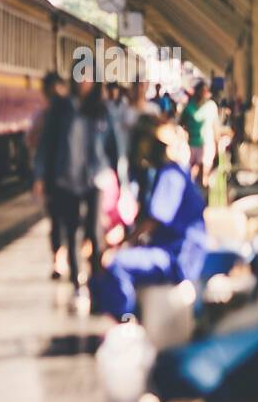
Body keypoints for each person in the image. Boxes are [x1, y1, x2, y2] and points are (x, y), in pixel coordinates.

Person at [93, 122, 207, 320]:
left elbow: (155, 220)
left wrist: (125, 244)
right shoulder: (173, 173)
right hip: (172, 250)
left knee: (116, 263)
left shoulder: (170, 175)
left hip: (176, 258)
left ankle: (125, 319)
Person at [33, 58, 126, 301]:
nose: (82, 81)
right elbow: (47, 143)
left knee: (95, 232)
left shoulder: (103, 110)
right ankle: (77, 281)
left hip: (95, 178)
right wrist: (40, 175)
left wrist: (122, 181)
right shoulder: (61, 108)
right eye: (78, 75)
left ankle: (95, 277)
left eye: (87, 76)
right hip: (66, 178)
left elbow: (114, 146)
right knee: (72, 230)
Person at [29, 71, 69, 279]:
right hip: (56, 176)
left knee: (65, 220)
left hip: (70, 175)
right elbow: (36, 144)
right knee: (57, 220)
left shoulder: (74, 112)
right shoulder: (44, 116)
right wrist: (39, 177)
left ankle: (65, 258)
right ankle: (59, 259)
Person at [179, 80, 219, 188]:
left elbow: (216, 126)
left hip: (207, 144)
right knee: (192, 172)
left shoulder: (211, 106)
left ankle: (203, 196)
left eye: (205, 91)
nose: (204, 94)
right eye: (201, 91)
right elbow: (181, 123)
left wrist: (217, 142)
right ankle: (194, 193)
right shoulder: (189, 107)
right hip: (192, 143)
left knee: (205, 172)